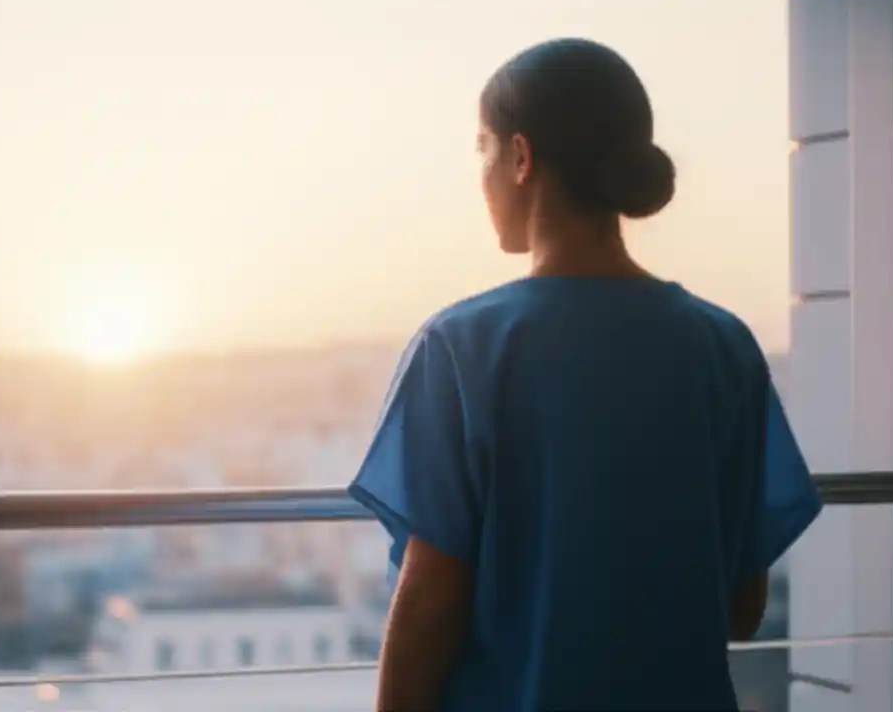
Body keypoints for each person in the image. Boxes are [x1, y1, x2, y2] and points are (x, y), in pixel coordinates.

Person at [348, 39, 821, 711]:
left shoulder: (462, 348)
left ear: (520, 156)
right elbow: (742, 607)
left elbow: (430, 606)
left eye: (482, 149)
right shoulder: (723, 346)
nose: (480, 173)